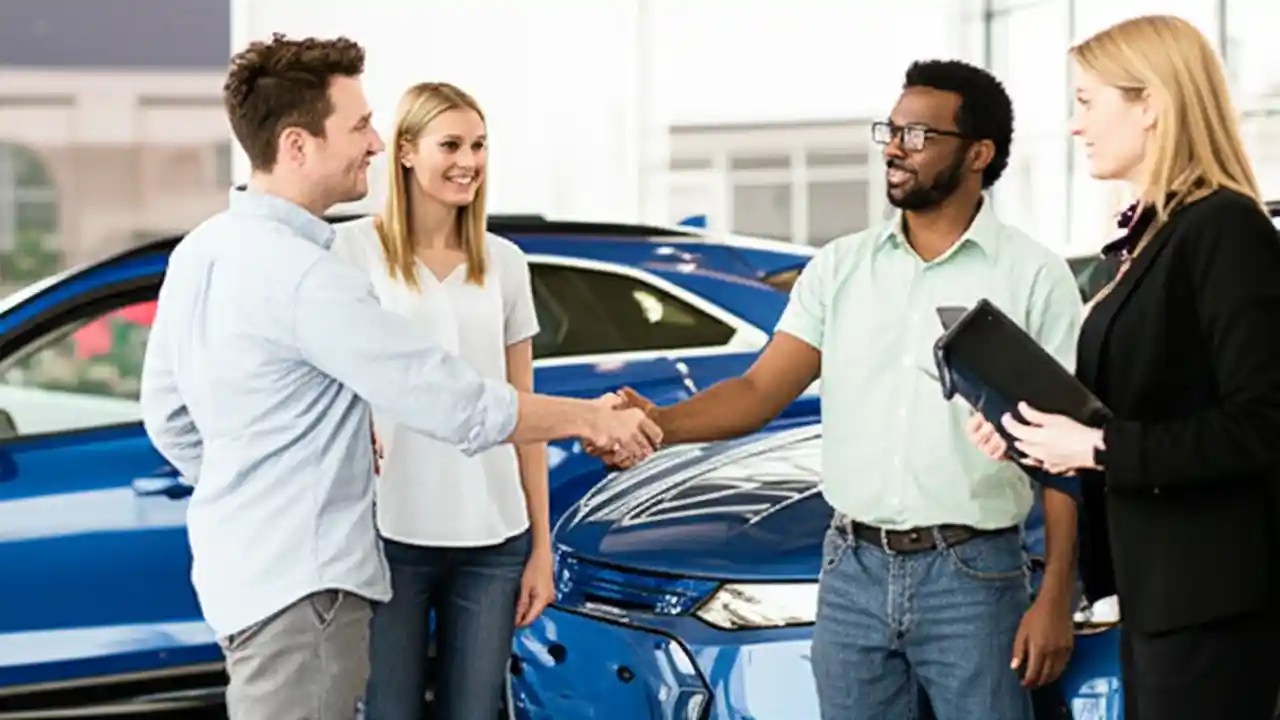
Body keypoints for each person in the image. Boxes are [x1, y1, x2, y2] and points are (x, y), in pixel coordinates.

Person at [138, 34, 660, 720]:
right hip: (308, 587)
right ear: (297, 145)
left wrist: (252, 497)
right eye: (358, 127)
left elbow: (168, 413)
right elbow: (455, 405)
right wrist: (594, 418)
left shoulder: (206, 248)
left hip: (246, 577)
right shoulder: (311, 277)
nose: (375, 145)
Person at [598, 60, 1084, 719]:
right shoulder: (840, 267)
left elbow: (1063, 455)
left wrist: (1056, 593)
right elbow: (760, 388)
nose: (894, 147)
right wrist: (662, 424)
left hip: (974, 577)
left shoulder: (1033, 276)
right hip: (850, 571)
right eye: (891, 129)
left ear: (979, 153)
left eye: (918, 134)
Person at [965, 15, 1280, 719]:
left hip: (1212, 599)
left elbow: (1261, 427)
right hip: (1163, 593)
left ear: (1152, 103)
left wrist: (1096, 447)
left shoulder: (1225, 228)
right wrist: (1031, 435)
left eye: (1087, 101)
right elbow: (1140, 406)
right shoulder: (1159, 232)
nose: (1076, 126)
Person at [327, 81, 546, 720]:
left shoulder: (505, 262)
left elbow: (523, 411)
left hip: (494, 537)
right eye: (450, 144)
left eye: (478, 145)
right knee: (388, 710)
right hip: (387, 535)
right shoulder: (351, 253)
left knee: (474, 712)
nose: (469, 161)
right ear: (404, 152)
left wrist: (540, 549)